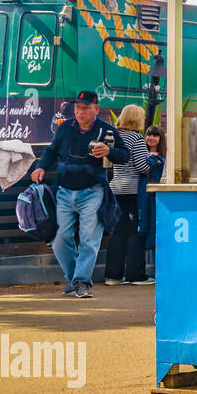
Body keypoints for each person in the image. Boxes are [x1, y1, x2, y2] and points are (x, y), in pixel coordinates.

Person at [31, 90, 129, 298]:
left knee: (89, 239)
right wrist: (41, 167)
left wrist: (109, 151)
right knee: (60, 237)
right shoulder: (65, 127)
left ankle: (82, 282)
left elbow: (125, 155)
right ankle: (75, 279)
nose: (80, 111)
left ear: (96, 109)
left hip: (94, 191)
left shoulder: (107, 131)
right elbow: (51, 150)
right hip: (64, 191)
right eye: (77, 107)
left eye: (85, 107)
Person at [104, 104, 153, 285]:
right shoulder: (136, 138)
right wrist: (155, 165)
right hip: (132, 190)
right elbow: (141, 165)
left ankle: (113, 275)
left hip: (115, 189)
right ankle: (136, 274)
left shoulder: (116, 137)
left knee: (118, 234)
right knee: (135, 233)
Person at [140, 125, 166, 283]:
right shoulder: (141, 156)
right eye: (149, 135)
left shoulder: (164, 157)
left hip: (157, 197)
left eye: (155, 135)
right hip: (145, 196)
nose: (151, 138)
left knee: (157, 230)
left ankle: (159, 270)